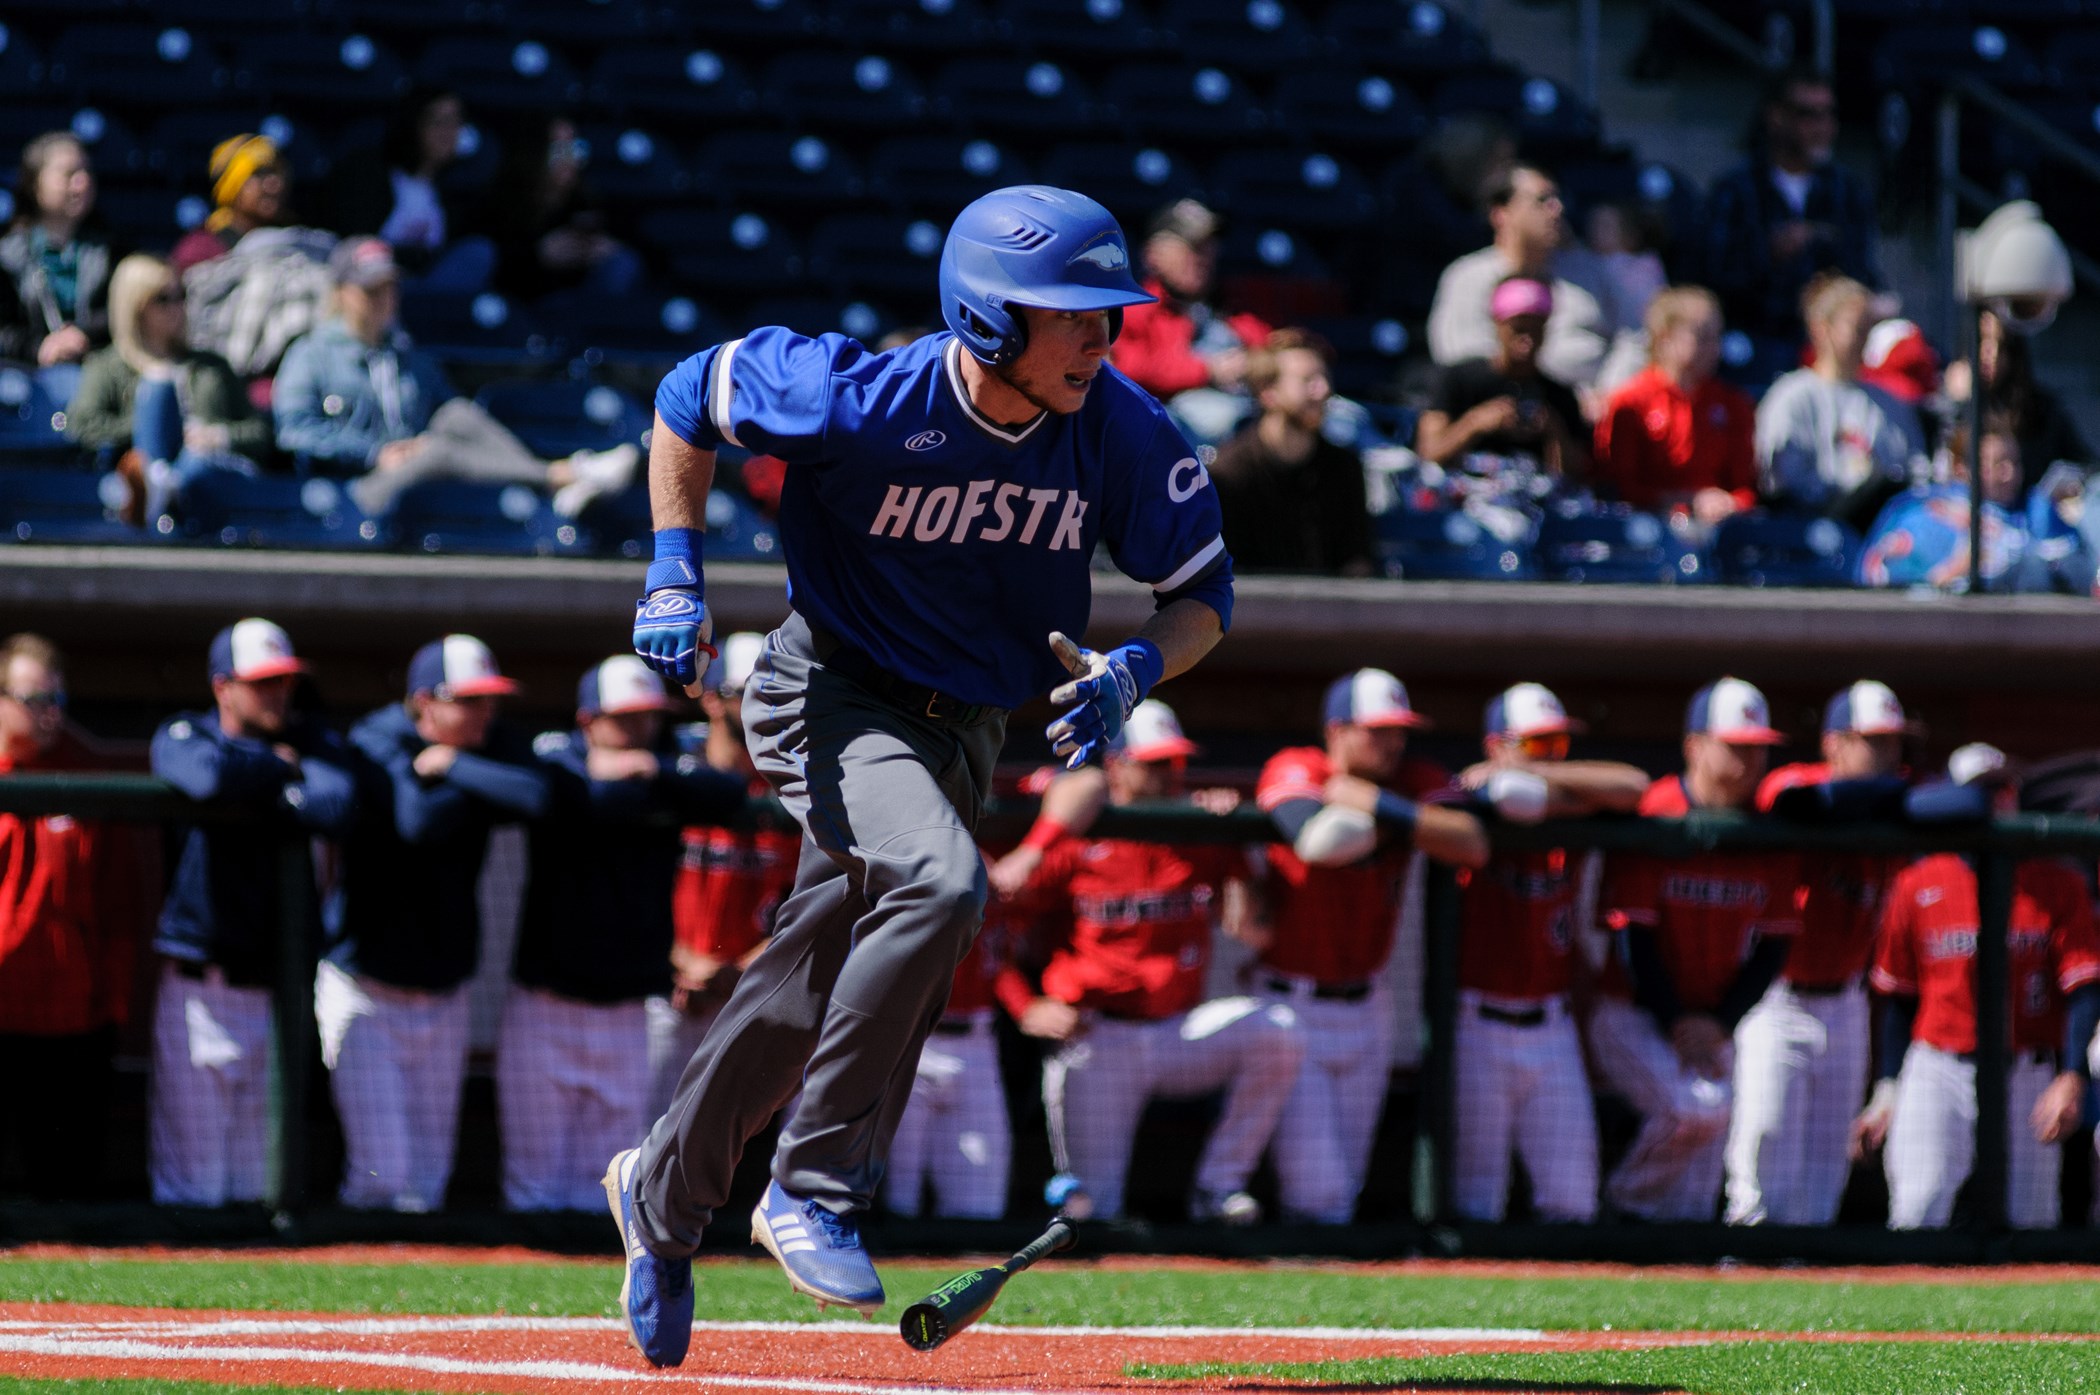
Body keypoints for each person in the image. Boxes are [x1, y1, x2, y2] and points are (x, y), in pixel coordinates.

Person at [609, 183, 1232, 1366]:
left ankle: (660, 1196)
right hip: (829, 691)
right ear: (988, 317)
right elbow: (688, 396)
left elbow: (1206, 593)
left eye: (1108, 313)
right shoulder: (860, 392)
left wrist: (1138, 669)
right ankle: (815, 1187)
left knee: (805, 987)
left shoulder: (1119, 425)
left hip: (969, 731)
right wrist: (675, 566)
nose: (1102, 336)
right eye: (1073, 314)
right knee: (945, 890)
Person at [1011, 701, 1302, 1224]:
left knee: (1277, 1030)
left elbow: (1249, 926)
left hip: (1178, 1034)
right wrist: (1024, 1002)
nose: (1171, 774)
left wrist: (1228, 830)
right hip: (1099, 1037)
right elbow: (997, 925)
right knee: (1094, 1213)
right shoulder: (1077, 830)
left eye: (1175, 761)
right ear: (1118, 765)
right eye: (1155, 763)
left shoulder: (1195, 828)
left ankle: (1219, 1187)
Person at [503, 655, 746, 1213]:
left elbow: (728, 793)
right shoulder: (554, 754)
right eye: (624, 718)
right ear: (588, 720)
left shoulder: (664, 762)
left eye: (648, 716)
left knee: (610, 1183)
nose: (640, 728)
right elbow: (570, 792)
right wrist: (630, 777)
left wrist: (651, 769)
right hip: (546, 1004)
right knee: (535, 1182)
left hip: (630, 1009)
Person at [1248, 669, 1489, 1224]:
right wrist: (1404, 822)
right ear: (1337, 730)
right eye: (1376, 730)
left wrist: (1379, 805)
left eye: (1398, 731)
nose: (1392, 743)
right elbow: (1317, 840)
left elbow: (1472, 844)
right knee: (1318, 1191)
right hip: (1293, 1005)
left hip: (1367, 1005)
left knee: (1348, 1182)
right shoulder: (1297, 764)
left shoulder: (1408, 780)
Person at [328, 635, 551, 1212]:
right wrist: (478, 783)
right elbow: (417, 818)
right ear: (426, 702)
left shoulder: (482, 743)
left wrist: (454, 764)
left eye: (490, 701)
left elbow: (539, 796)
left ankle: (401, 1303)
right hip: (364, 987)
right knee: (381, 1171)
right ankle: (347, 1288)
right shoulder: (381, 735)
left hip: (445, 988)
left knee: (426, 1179)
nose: (485, 713)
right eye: (470, 701)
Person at [149, 620, 355, 1207]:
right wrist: (276, 768)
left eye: (283, 683)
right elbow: (204, 775)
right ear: (223, 687)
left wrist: (273, 773)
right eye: (261, 683)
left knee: (257, 1187)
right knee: (194, 1186)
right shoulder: (187, 731)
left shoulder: (313, 740)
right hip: (199, 989)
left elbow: (336, 803)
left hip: (277, 993)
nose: (277, 695)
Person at [1588, 678, 1803, 1221]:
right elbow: (1633, 938)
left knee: (1697, 1191)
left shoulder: (1765, 828)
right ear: (1695, 746)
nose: (1751, 759)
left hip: (1712, 1020)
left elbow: (1773, 947)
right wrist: (1679, 1023)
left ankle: (1662, 1268)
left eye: (1758, 747)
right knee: (1697, 1110)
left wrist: (1719, 1023)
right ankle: (1622, 1204)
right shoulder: (1658, 809)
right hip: (1633, 1012)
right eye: (1736, 746)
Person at [1857, 755, 2100, 1230]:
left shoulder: (2057, 881)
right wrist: (1887, 1090)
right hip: (1938, 1067)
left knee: (2032, 1218)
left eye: (2005, 788)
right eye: (1984, 790)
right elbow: (1901, 1000)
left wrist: (2071, 1072)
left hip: (2025, 1070)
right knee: (1917, 1208)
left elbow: (2084, 987)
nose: (1998, 800)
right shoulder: (1919, 881)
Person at [1450, 683, 1647, 1224]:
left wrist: (1541, 771)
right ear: (1497, 746)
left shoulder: (1571, 802)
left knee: (1572, 1200)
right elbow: (1495, 798)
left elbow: (1633, 787)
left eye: (1559, 744)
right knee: (1476, 1201)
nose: (1553, 755)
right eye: (1537, 745)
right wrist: (1508, 779)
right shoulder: (1470, 794)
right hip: (1477, 1022)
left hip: (1551, 1024)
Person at [273, 237, 639, 517]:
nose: (384, 299)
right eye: (371, 290)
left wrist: (413, 446)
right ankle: (560, 476)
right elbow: (294, 431)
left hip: (411, 473)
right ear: (342, 293)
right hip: (348, 492)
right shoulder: (311, 354)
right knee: (440, 450)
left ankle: (553, 479)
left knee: (458, 415)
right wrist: (373, 453)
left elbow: (449, 413)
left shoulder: (408, 356)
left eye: (390, 287)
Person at [1725, 681, 1910, 1226]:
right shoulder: (1798, 783)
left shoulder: (1896, 801)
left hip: (1846, 1000)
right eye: (1871, 741)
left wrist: (1893, 796)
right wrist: (1891, 796)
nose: (1885, 755)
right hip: (1778, 996)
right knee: (1766, 1138)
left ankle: (1806, 1287)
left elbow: (1956, 800)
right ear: (1833, 743)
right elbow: (1792, 803)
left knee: (1826, 1163)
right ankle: (1747, 1269)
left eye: (1892, 743)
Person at [0, 635, 139, 1201]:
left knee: (68, 1187)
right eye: (34, 699)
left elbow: (119, 903)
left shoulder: (85, 777)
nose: (49, 712)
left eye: (58, 698)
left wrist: (113, 1000)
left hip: (71, 1020)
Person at [645, 633, 801, 1117]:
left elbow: (813, 904)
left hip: (758, 988)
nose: (765, 706)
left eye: (775, 693)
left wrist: (735, 970)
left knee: (769, 1133)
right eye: (750, 692)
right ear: (713, 699)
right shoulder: (675, 771)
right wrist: (679, 961)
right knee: (643, 1131)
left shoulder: (797, 784)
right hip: (670, 990)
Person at [66, 254, 271, 524]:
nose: (177, 307)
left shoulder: (212, 366)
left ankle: (164, 488)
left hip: (213, 473)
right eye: (163, 299)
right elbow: (82, 425)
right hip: (143, 467)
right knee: (158, 390)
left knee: (197, 462)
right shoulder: (107, 366)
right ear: (136, 307)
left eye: (181, 295)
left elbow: (261, 432)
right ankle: (158, 483)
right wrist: (161, 427)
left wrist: (219, 436)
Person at [1426, 165, 1641, 396]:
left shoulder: (1591, 271)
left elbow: (1634, 336)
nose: (1557, 209)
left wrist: (1612, 393)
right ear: (1501, 213)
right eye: (1542, 200)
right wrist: (1546, 395)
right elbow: (1461, 356)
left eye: (1558, 199)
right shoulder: (1467, 276)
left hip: (1598, 412)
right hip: (1508, 411)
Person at [1704, 67, 1880, 344]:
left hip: (1828, 344)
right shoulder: (1735, 190)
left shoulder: (1848, 191)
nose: (1823, 127)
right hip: (1751, 338)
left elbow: (1860, 271)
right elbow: (1712, 277)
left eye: (1829, 114)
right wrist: (1769, 251)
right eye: (1809, 115)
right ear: (1777, 116)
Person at [1755, 274, 1926, 529]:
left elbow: (1915, 471)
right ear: (1820, 328)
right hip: (1814, 531)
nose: (1864, 338)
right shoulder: (1792, 397)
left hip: (1885, 532)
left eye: (1870, 329)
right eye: (1857, 328)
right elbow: (1781, 482)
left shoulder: (1890, 403)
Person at [1207, 329, 1374, 576]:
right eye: (1308, 380)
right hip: (1251, 609)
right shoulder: (1230, 473)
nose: (1324, 390)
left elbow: (1356, 561)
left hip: (1328, 608)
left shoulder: (1343, 467)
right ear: (1267, 392)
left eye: (1324, 377)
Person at [1111, 198, 1272, 446]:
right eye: (1192, 247)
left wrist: (1254, 364)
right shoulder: (1131, 310)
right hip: (1176, 426)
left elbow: (1276, 351)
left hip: (1251, 418)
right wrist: (1207, 371)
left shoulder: (1234, 307)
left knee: (1343, 423)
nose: (1203, 257)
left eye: (1209, 246)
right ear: (1153, 254)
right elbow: (1122, 368)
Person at [1593, 286, 1758, 527]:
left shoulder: (1733, 403)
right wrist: (1689, 500)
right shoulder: (1630, 402)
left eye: (1717, 337)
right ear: (1664, 339)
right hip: (1649, 530)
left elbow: (1745, 487)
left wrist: (1729, 504)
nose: (1714, 348)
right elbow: (1620, 487)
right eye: (1702, 337)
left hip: (1719, 531)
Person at [1415, 276, 1589, 493]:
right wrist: (1476, 423)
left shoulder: (1560, 394)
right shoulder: (1458, 379)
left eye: (1536, 330)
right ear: (1498, 324)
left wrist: (1554, 431)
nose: (1527, 340)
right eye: (1518, 329)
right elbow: (1428, 454)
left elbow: (1572, 479)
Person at [321, 87, 494, 293]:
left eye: (455, 122)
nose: (449, 132)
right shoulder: (369, 173)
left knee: (478, 252)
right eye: (438, 122)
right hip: (373, 286)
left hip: (428, 293)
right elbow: (354, 242)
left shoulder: (455, 188)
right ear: (413, 125)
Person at [478, 115, 641, 307]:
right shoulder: (499, 206)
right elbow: (496, 267)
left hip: (579, 305)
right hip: (519, 306)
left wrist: (602, 249)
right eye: (559, 150)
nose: (570, 159)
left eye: (574, 148)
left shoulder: (588, 203)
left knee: (623, 262)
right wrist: (539, 255)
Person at [0, 132, 111, 396]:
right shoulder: (5, 257)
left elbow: (123, 317)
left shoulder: (114, 252)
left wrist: (82, 337)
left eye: (87, 173)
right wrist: (39, 348)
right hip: (20, 379)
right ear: (34, 183)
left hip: (97, 377)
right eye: (69, 174)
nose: (82, 183)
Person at [1941, 308, 2091, 495]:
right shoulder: (1953, 404)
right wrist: (1955, 403)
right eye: (1983, 342)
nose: (1992, 354)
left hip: (2028, 516)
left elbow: (2084, 463)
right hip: (1967, 514)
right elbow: (1939, 467)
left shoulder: (2040, 408)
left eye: (2002, 345)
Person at [171, 134, 291, 278]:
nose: (275, 184)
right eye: (260, 174)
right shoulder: (199, 251)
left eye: (278, 173)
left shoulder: (295, 242)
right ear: (231, 185)